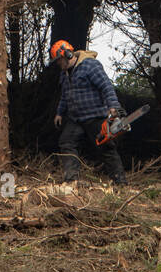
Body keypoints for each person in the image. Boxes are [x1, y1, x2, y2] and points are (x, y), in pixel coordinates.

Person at [51, 39, 127, 186]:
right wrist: (59, 113)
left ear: (67, 54)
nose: (58, 64)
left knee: (106, 147)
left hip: (95, 116)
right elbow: (65, 95)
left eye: (59, 60)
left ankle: (120, 182)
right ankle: (71, 180)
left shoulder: (90, 66)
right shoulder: (64, 74)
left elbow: (106, 86)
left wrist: (113, 106)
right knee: (66, 142)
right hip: (76, 118)